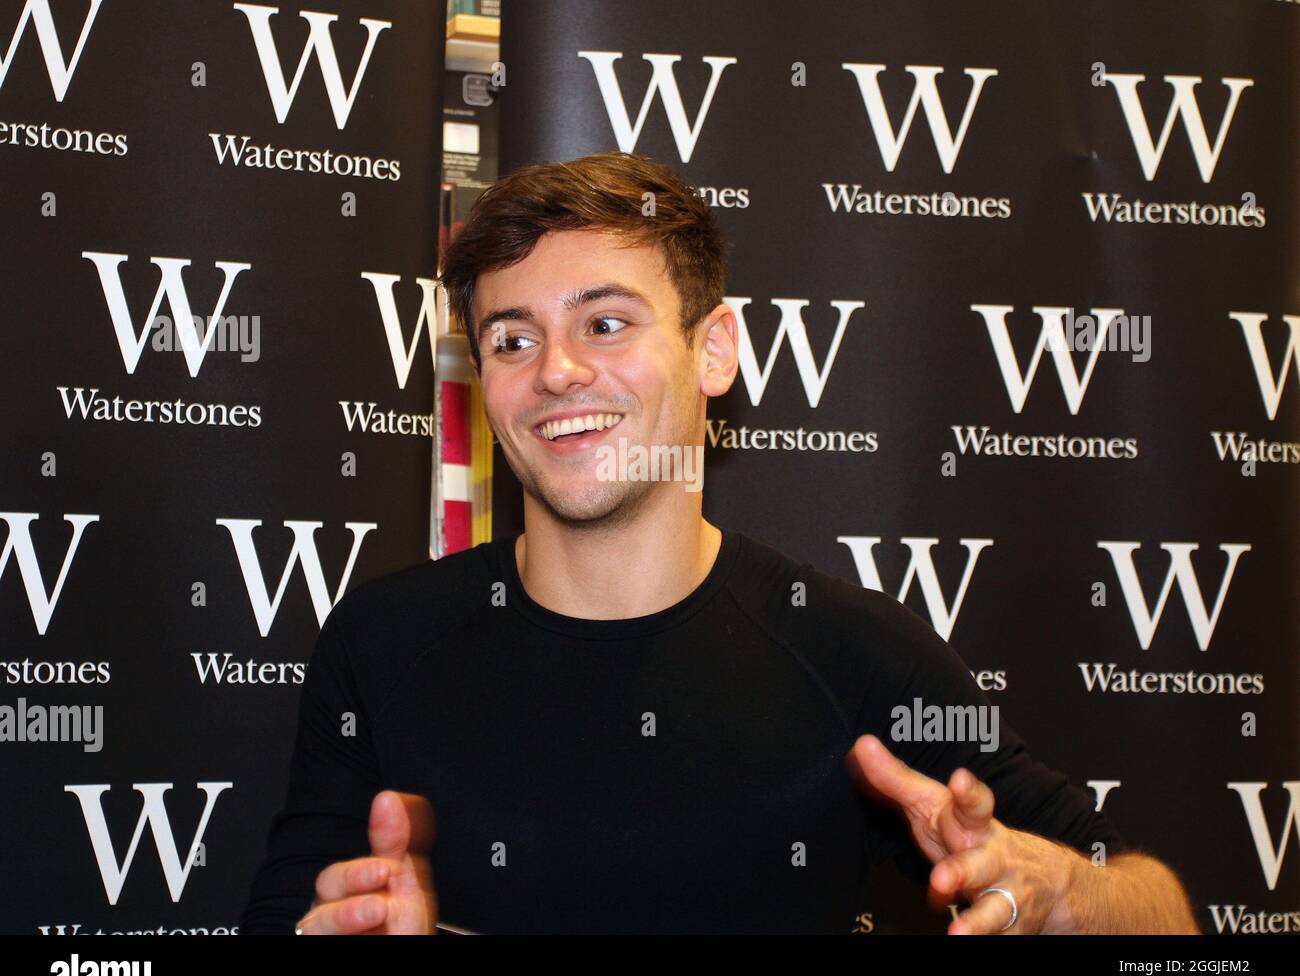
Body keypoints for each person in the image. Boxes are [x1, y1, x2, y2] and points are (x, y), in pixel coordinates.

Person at [238, 151, 1199, 935]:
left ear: (715, 349)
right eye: (512, 340)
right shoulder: (383, 643)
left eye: (605, 322)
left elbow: (1169, 925)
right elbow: (295, 914)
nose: (558, 372)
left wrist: (1069, 892)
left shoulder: (850, 653)